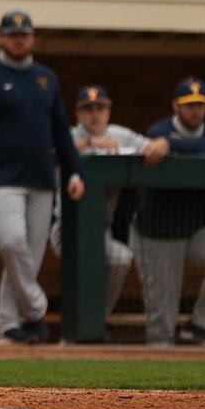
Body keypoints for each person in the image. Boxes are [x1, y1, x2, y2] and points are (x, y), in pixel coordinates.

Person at [0, 10, 85, 346]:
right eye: (12, 34)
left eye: (24, 35)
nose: (18, 40)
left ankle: (7, 325)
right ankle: (37, 306)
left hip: (43, 180)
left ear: (32, 38)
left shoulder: (47, 79)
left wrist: (74, 171)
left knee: (27, 256)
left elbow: (60, 130)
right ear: (1, 38)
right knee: (12, 242)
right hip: (0, 180)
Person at [130, 77, 205, 346]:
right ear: (176, 106)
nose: (195, 110)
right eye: (189, 105)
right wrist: (202, 146)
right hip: (156, 235)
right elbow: (154, 140)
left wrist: (176, 146)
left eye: (200, 104)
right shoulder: (159, 130)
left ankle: (202, 325)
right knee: (162, 328)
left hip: (194, 230)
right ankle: (157, 383)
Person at [50, 84, 169, 327]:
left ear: (109, 111)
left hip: (101, 228)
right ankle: (79, 326)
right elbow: (47, 150)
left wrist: (162, 145)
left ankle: (97, 319)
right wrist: (90, 143)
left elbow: (153, 146)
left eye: (100, 108)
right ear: (77, 113)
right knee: (84, 271)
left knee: (121, 258)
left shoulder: (120, 134)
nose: (95, 114)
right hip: (67, 226)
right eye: (88, 109)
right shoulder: (69, 134)